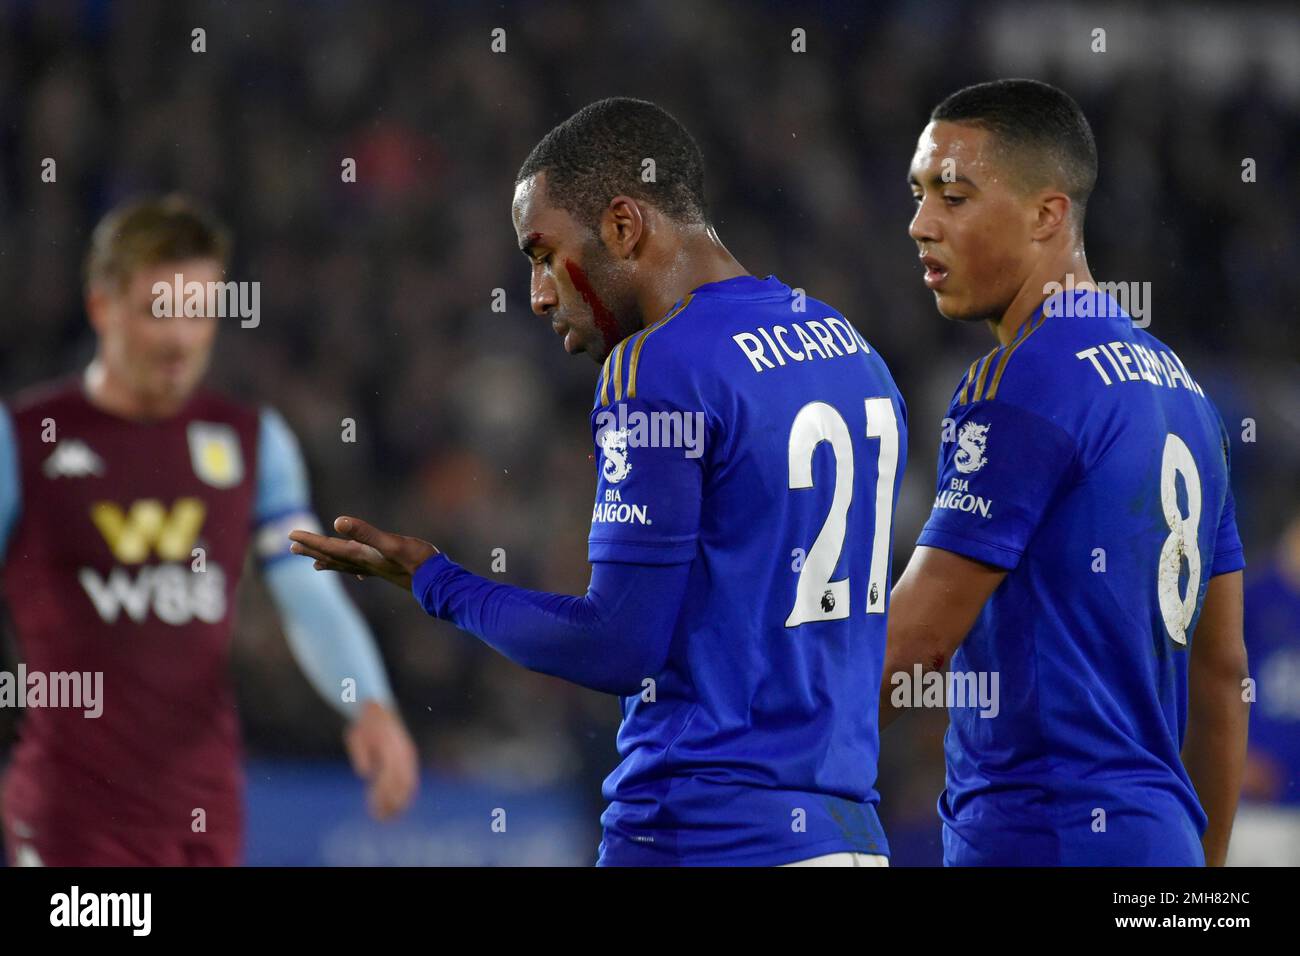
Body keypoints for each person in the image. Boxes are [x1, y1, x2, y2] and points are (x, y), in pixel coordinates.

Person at [289, 97, 908, 866]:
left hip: (701, 835)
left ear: (623, 225)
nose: (539, 293)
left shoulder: (656, 368)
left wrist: (437, 582)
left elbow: (616, 642)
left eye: (544, 254)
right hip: (848, 837)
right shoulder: (854, 353)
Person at [881, 79, 1248, 866]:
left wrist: (769, 765)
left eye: (953, 196)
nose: (920, 224)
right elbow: (1221, 673)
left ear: (1049, 214)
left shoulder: (1024, 380)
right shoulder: (1184, 392)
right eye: (918, 195)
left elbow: (918, 643)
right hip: (1159, 845)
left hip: (1037, 835)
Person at [0, 195, 418, 866]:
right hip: (68, 819)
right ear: (102, 306)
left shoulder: (253, 443)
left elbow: (308, 589)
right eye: (156, 312)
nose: (180, 338)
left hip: (203, 814)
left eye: (198, 312)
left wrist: (368, 702)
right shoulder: (21, 443)